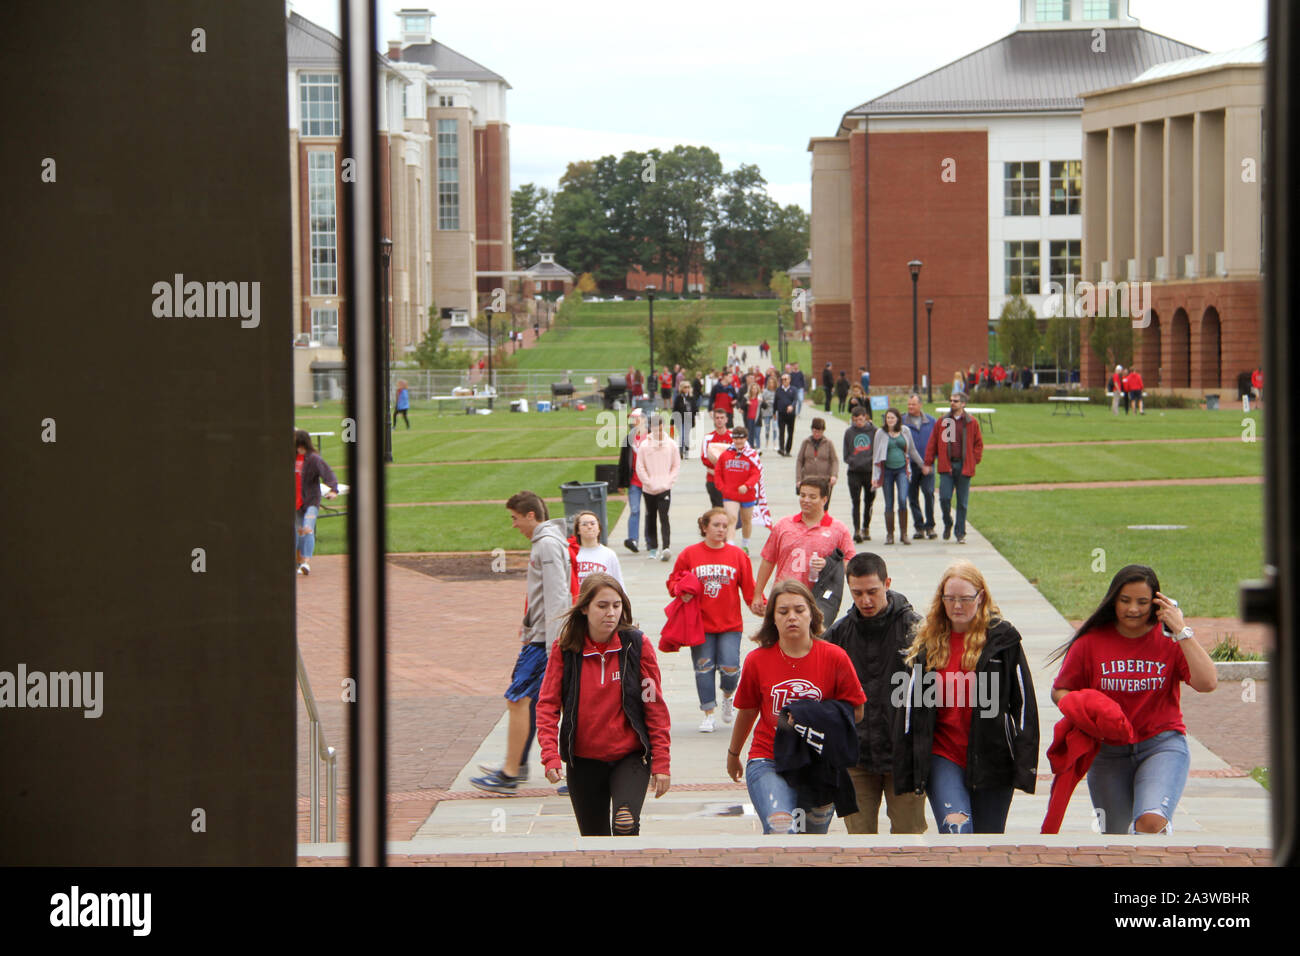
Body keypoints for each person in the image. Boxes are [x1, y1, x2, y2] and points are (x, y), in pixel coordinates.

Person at [1047, 565, 1216, 834]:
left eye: (1142, 602)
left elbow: (1208, 683)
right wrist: (1085, 708)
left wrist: (1181, 629)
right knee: (1117, 839)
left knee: (1150, 822)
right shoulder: (1091, 642)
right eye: (1125, 600)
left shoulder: (1170, 640)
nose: (1133, 609)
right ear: (1113, 600)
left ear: (1157, 604)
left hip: (1161, 746)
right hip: (1107, 752)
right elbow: (1061, 691)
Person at [894, 561, 1039, 833]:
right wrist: (906, 767)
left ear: (981, 597)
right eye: (950, 599)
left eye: (965, 599)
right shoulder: (929, 644)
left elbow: (1024, 706)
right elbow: (909, 711)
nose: (957, 606)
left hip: (992, 759)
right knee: (958, 832)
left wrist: (1025, 765)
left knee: (986, 843)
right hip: (943, 756)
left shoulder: (1002, 641)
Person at [536, 574, 672, 835]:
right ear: (585, 607)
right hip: (584, 761)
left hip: (630, 757)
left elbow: (653, 705)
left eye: (617, 605)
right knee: (594, 839)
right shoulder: (565, 649)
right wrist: (550, 755)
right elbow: (548, 705)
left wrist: (662, 762)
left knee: (624, 822)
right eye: (602, 606)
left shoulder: (636, 645)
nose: (611, 613)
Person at [727, 580, 866, 834]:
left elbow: (856, 711)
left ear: (811, 613)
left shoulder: (834, 657)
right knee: (782, 828)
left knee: (811, 842)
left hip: (818, 761)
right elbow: (747, 710)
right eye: (783, 611)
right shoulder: (757, 660)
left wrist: (817, 717)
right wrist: (733, 753)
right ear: (773, 619)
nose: (792, 617)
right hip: (769, 757)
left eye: (799, 610)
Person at [471, 491, 572, 794]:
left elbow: (558, 596)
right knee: (531, 704)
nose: (513, 525)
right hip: (540, 638)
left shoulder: (548, 545)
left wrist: (554, 644)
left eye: (515, 518)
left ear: (531, 516)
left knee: (517, 700)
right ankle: (517, 764)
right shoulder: (547, 542)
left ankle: (510, 773)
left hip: (543, 643)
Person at [823, 552, 927, 834]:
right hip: (856, 757)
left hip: (904, 756)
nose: (865, 600)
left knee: (910, 840)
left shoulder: (916, 630)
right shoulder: (838, 635)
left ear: (887, 583)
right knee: (859, 841)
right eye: (857, 593)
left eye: (873, 591)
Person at [668, 508, 756, 733]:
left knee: (730, 667)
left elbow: (749, 589)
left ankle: (728, 696)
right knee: (703, 667)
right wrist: (680, 590)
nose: (721, 530)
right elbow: (673, 582)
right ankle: (708, 713)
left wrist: (761, 605)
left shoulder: (737, 555)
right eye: (716, 525)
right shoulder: (689, 554)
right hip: (700, 624)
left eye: (725, 526)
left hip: (730, 624)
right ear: (704, 527)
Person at [751, 477, 854, 614]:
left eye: (812, 497)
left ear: (824, 499)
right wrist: (758, 594)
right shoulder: (784, 525)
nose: (806, 500)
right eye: (802, 495)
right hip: (783, 597)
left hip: (817, 601)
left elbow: (851, 564)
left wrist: (828, 564)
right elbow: (768, 560)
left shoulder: (838, 529)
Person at [923, 391, 983, 544]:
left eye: (955, 401)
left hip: (964, 466)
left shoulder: (970, 422)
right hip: (947, 466)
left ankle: (960, 532)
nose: (952, 403)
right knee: (944, 498)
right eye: (951, 400)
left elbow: (978, 444)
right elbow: (935, 442)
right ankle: (948, 522)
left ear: (963, 404)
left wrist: (973, 460)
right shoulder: (945, 421)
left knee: (962, 502)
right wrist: (928, 462)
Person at [872, 407, 927, 546]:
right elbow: (876, 456)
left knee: (903, 499)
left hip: (902, 470)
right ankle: (890, 535)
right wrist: (875, 476)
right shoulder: (880, 433)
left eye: (892, 418)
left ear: (898, 419)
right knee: (889, 503)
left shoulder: (905, 431)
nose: (890, 420)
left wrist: (922, 464)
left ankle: (904, 534)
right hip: (887, 472)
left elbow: (912, 450)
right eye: (888, 418)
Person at [635, 413, 681, 562]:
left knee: (664, 516)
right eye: (656, 429)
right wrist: (648, 482)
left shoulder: (671, 444)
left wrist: (668, 482)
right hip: (649, 489)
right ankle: (653, 547)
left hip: (664, 487)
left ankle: (666, 547)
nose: (659, 432)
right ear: (651, 428)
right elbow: (640, 466)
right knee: (651, 517)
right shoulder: (644, 445)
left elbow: (676, 465)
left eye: (661, 429)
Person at [294, 429, 338, 576]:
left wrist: (333, 489)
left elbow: (328, 473)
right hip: (296, 502)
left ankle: (306, 562)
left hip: (311, 501)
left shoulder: (313, 459)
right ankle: (299, 562)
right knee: (298, 531)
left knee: (307, 528)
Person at [715, 426, 762, 552]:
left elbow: (756, 473)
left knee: (746, 520)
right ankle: (730, 546)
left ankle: (745, 544)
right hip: (730, 494)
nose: (738, 441)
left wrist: (747, 485)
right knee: (732, 519)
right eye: (735, 438)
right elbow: (718, 472)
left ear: (746, 439)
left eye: (741, 438)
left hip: (747, 494)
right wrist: (722, 488)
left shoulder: (752, 455)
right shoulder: (725, 455)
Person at [903, 393, 938, 541]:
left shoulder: (931, 421)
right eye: (909, 404)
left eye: (913, 404)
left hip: (928, 466)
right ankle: (919, 527)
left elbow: (938, 443)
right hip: (909, 466)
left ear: (920, 405)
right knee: (912, 497)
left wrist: (930, 462)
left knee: (929, 493)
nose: (910, 407)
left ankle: (930, 526)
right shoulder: (902, 421)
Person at [843, 407, 878, 543]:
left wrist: (871, 462)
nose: (859, 422)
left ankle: (866, 527)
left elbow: (877, 450)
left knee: (869, 501)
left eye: (861, 419)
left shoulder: (874, 431)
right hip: (854, 472)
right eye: (856, 420)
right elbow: (846, 454)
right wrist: (853, 460)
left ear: (866, 417)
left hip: (870, 472)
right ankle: (857, 529)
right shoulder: (849, 432)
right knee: (855, 501)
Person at [568, 510, 624, 595]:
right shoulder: (572, 553)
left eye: (593, 523)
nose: (589, 527)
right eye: (584, 524)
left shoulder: (609, 554)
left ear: (599, 528)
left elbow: (619, 582)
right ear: (578, 530)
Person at [617, 409, 649, 553]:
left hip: (649, 482)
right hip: (634, 482)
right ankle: (633, 539)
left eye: (637, 419)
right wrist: (620, 483)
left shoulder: (652, 438)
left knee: (650, 512)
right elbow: (623, 462)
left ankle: (650, 540)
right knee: (634, 510)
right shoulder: (629, 439)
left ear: (643, 420)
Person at [795, 417, 839, 500]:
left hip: (824, 480)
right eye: (815, 431)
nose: (817, 434)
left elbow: (834, 460)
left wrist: (834, 475)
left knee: (823, 507)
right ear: (812, 430)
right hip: (808, 480)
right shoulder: (806, 442)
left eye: (819, 432)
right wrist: (798, 479)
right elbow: (799, 461)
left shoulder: (828, 443)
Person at [700, 407, 732, 509]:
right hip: (713, 480)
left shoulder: (733, 437)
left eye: (722, 418)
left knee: (731, 511)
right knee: (718, 510)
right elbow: (705, 459)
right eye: (717, 418)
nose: (719, 420)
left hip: (730, 481)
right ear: (713, 419)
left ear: (726, 419)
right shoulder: (708, 438)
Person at [672, 380, 698, 459]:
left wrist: (695, 417)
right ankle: (680, 451)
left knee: (686, 436)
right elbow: (675, 409)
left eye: (688, 387)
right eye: (685, 387)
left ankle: (686, 451)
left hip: (688, 419)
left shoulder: (691, 397)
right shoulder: (678, 397)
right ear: (682, 388)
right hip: (680, 419)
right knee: (681, 435)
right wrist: (673, 420)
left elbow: (695, 408)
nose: (687, 389)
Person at [774, 372, 798, 456]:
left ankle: (788, 450)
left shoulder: (793, 389)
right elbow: (775, 401)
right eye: (782, 379)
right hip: (781, 414)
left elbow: (795, 400)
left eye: (785, 379)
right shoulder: (778, 390)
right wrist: (774, 412)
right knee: (781, 432)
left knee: (790, 432)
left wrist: (791, 406)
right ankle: (781, 449)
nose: (784, 381)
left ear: (789, 380)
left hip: (790, 415)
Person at [743, 382, 764, 452]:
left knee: (757, 434)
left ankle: (758, 449)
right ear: (750, 390)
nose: (754, 390)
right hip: (749, 419)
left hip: (757, 419)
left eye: (755, 389)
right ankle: (750, 448)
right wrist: (746, 404)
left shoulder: (760, 398)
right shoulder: (747, 398)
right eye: (753, 389)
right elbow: (742, 407)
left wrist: (762, 402)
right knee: (750, 435)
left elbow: (765, 406)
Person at [761, 371, 778, 449]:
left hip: (775, 412)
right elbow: (762, 401)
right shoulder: (765, 391)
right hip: (766, 412)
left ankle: (775, 443)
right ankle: (767, 441)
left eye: (772, 383)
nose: (771, 384)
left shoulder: (777, 391)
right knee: (767, 428)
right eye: (770, 382)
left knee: (775, 428)